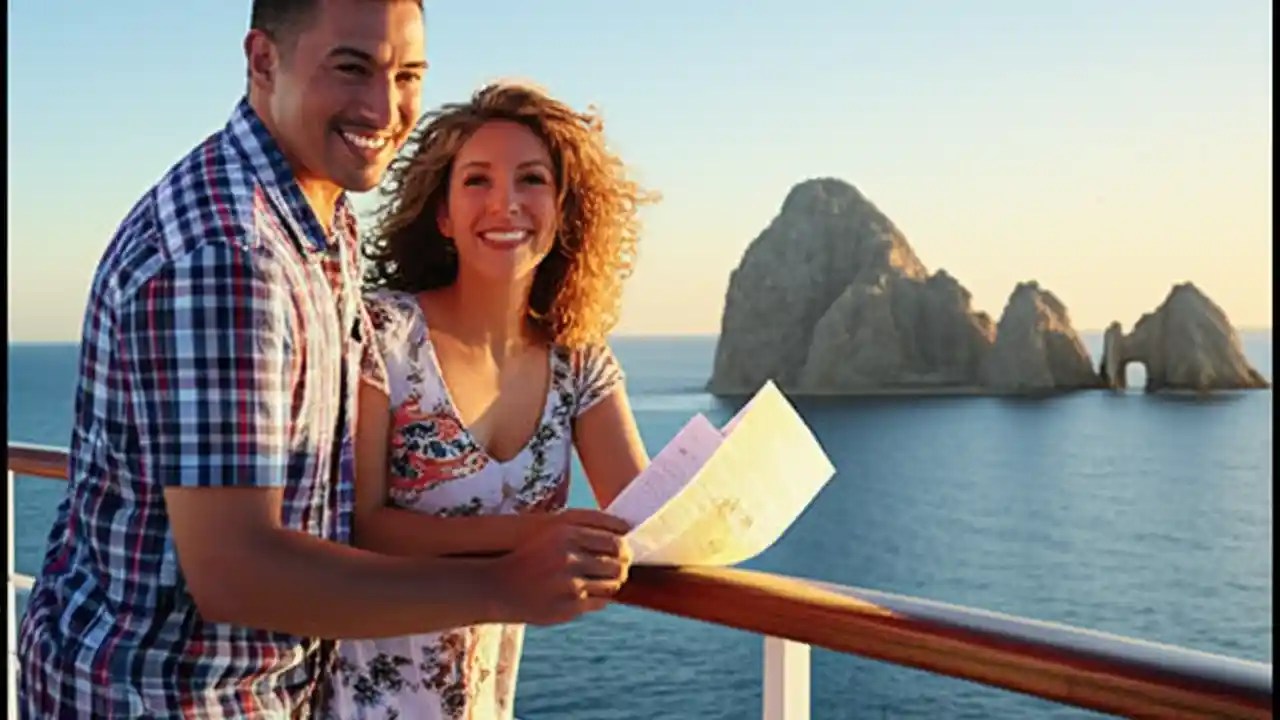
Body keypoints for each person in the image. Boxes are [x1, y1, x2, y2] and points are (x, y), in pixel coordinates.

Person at [16, 3, 632, 718]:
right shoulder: (230, 254)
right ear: (262, 61)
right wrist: (504, 586)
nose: (383, 106)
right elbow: (235, 573)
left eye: (406, 74)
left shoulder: (319, 220)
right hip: (163, 696)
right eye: (350, 67)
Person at [320, 81, 657, 719]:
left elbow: (645, 517)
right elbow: (363, 526)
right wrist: (536, 534)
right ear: (443, 214)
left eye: (531, 179)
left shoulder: (578, 361)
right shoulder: (384, 334)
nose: (505, 203)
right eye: (477, 180)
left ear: (564, 210)